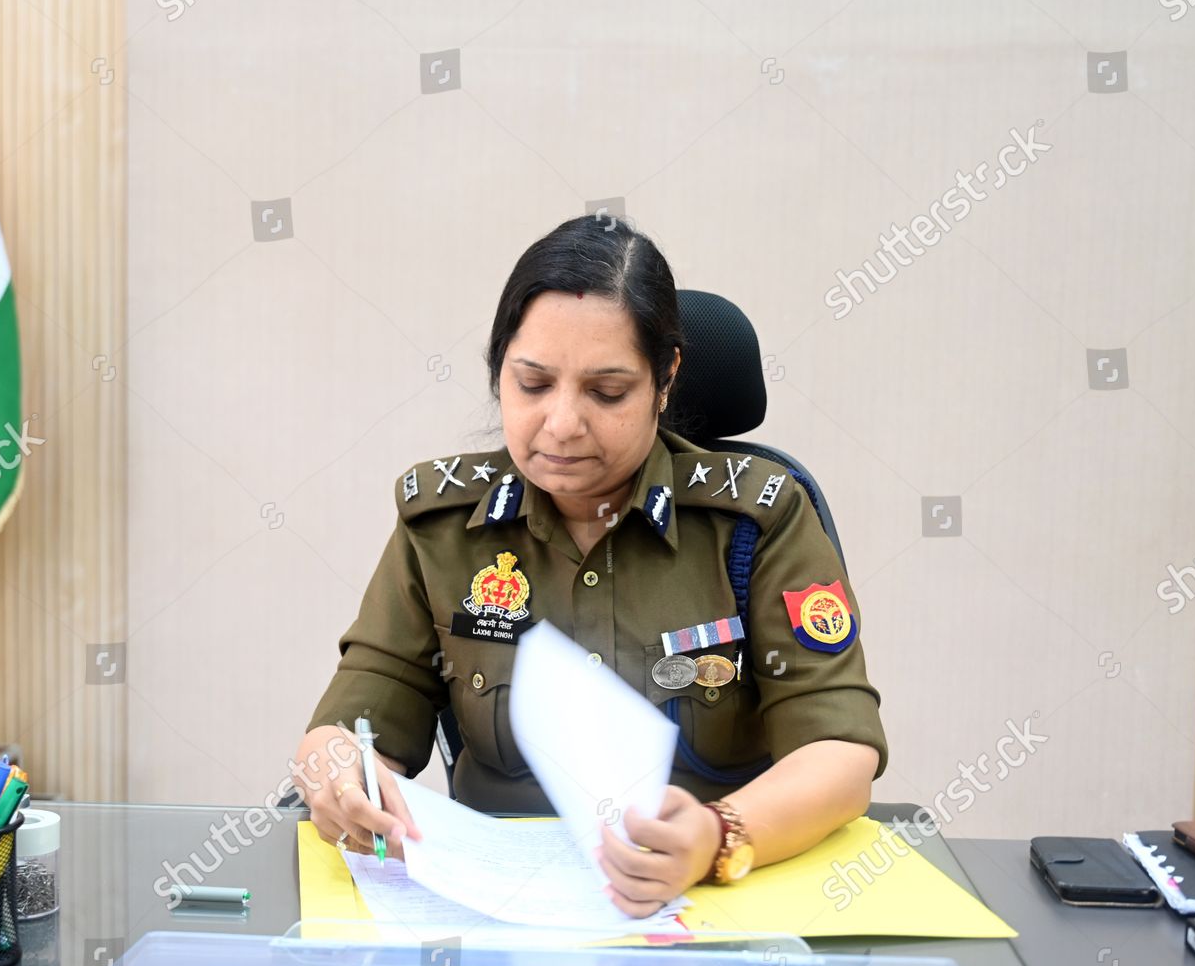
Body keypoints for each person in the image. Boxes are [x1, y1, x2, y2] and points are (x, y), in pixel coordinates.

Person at [294, 214, 887, 917]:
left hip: (712, 920)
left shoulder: (753, 522)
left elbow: (840, 753)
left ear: (665, 379)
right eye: (533, 384)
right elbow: (349, 721)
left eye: (607, 392)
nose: (563, 423)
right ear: (498, 371)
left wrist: (718, 834)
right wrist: (341, 777)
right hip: (499, 924)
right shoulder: (444, 525)